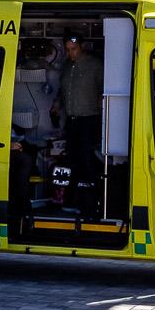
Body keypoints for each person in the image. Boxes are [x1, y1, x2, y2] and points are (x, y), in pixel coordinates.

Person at [54, 34, 104, 202]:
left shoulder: (95, 65)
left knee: (88, 159)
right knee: (72, 159)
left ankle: (95, 199)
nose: (70, 53)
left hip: (89, 119)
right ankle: (71, 198)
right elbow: (62, 91)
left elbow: (104, 90)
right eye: (67, 50)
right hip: (72, 120)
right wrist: (57, 105)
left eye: (73, 49)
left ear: (81, 46)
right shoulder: (67, 66)